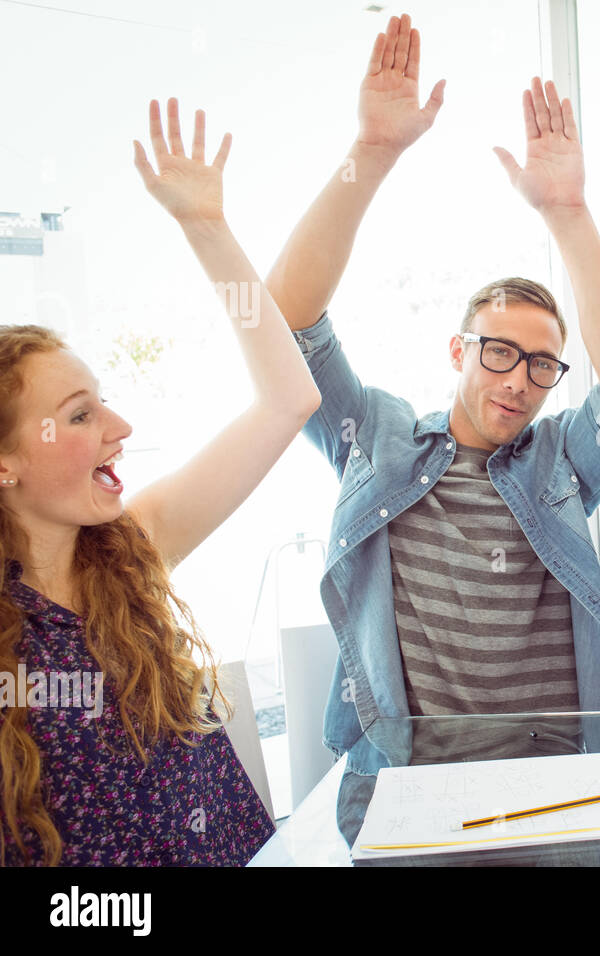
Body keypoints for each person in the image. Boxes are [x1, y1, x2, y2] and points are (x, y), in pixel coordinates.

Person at [262, 15, 600, 844]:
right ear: (459, 348)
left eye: (544, 365)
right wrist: (370, 153)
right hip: (410, 783)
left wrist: (569, 210)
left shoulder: (562, 461)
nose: (519, 381)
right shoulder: (380, 434)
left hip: (557, 780)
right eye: (500, 352)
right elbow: (287, 318)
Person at [0, 100, 322, 865]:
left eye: (103, 401)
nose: (119, 428)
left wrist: (206, 228)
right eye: (79, 416)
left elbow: (289, 401)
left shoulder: (131, 547)